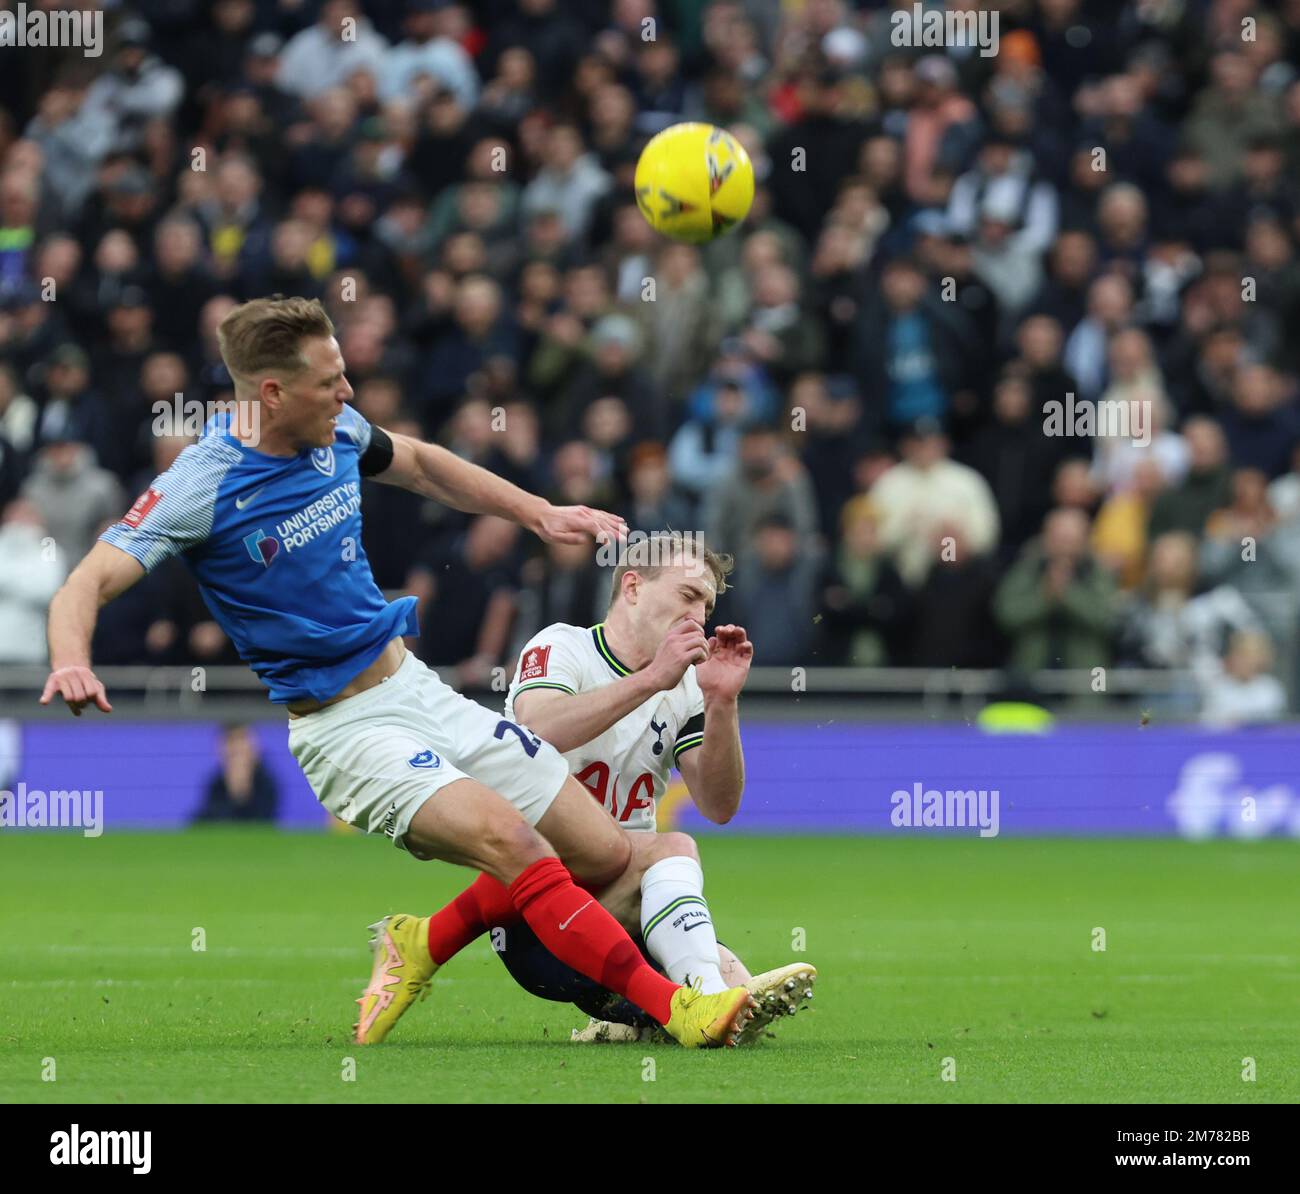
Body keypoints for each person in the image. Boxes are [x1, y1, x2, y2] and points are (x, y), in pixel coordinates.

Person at [40, 295, 757, 1050]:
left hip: (415, 688)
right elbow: (85, 581)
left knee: (606, 855)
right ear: (272, 393)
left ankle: (423, 942)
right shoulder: (202, 481)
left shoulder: (335, 431)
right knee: (513, 841)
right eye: (330, 382)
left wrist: (538, 512)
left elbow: (417, 463)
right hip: (344, 728)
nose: (349, 394)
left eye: (346, 373)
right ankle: (679, 1009)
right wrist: (71, 661)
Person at [415, 532, 816, 1044]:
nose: (700, 616)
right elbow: (540, 729)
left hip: (626, 906)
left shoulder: (689, 685)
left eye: (709, 605)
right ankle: (691, 1001)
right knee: (674, 848)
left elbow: (718, 805)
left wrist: (721, 703)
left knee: (733, 990)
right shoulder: (561, 646)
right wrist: (652, 679)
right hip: (538, 915)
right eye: (688, 595)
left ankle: (643, 1018)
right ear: (632, 587)